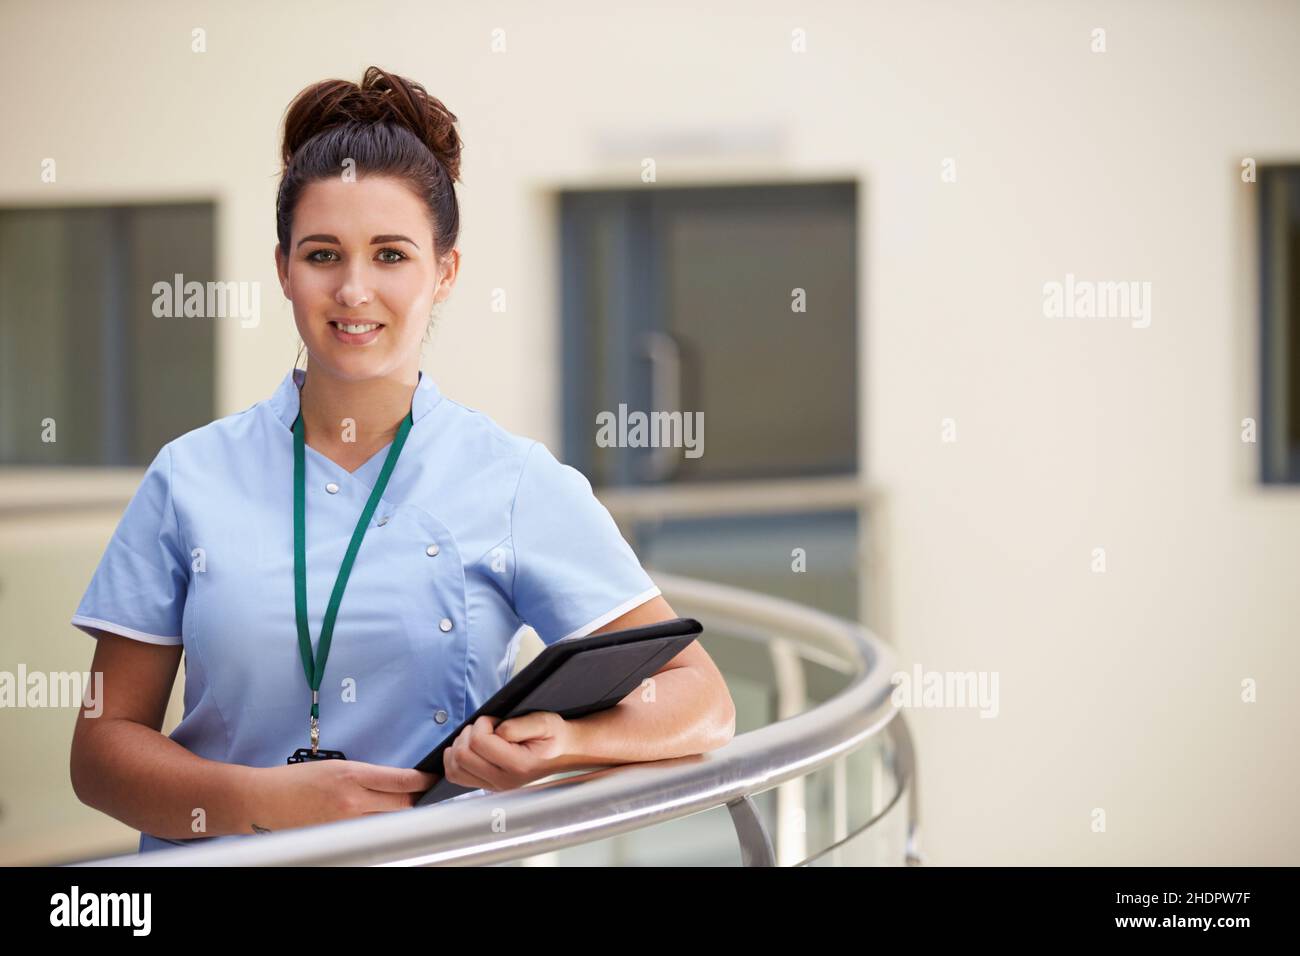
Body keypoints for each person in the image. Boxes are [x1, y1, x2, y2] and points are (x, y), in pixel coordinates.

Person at [68, 66, 735, 854]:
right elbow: (102, 751)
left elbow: (703, 700)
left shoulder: (515, 481)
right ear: (282, 268)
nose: (354, 290)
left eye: (390, 255)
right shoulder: (190, 477)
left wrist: (567, 742)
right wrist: (259, 801)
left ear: (444, 272)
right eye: (323, 255)